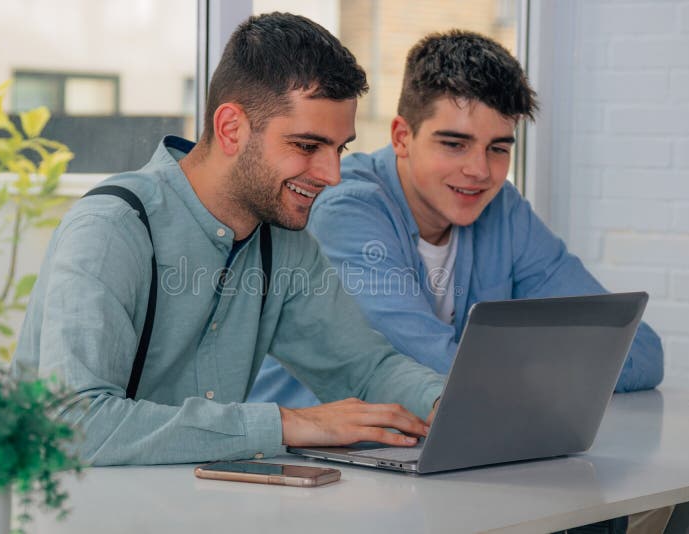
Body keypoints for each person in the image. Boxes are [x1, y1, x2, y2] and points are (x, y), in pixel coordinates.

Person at [13, 12, 445, 466]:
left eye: (339, 149)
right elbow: (71, 425)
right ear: (231, 128)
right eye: (306, 146)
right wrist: (285, 424)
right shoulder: (111, 230)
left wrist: (447, 406)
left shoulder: (285, 243)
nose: (332, 175)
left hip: (205, 506)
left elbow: (365, 369)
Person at [249, 30, 664, 409]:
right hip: (311, 463)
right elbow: (423, 368)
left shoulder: (503, 210)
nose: (480, 171)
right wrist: (557, 366)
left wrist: (503, 370)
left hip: (439, 450)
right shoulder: (347, 209)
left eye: (498, 148)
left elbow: (640, 350)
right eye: (455, 144)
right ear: (401, 137)